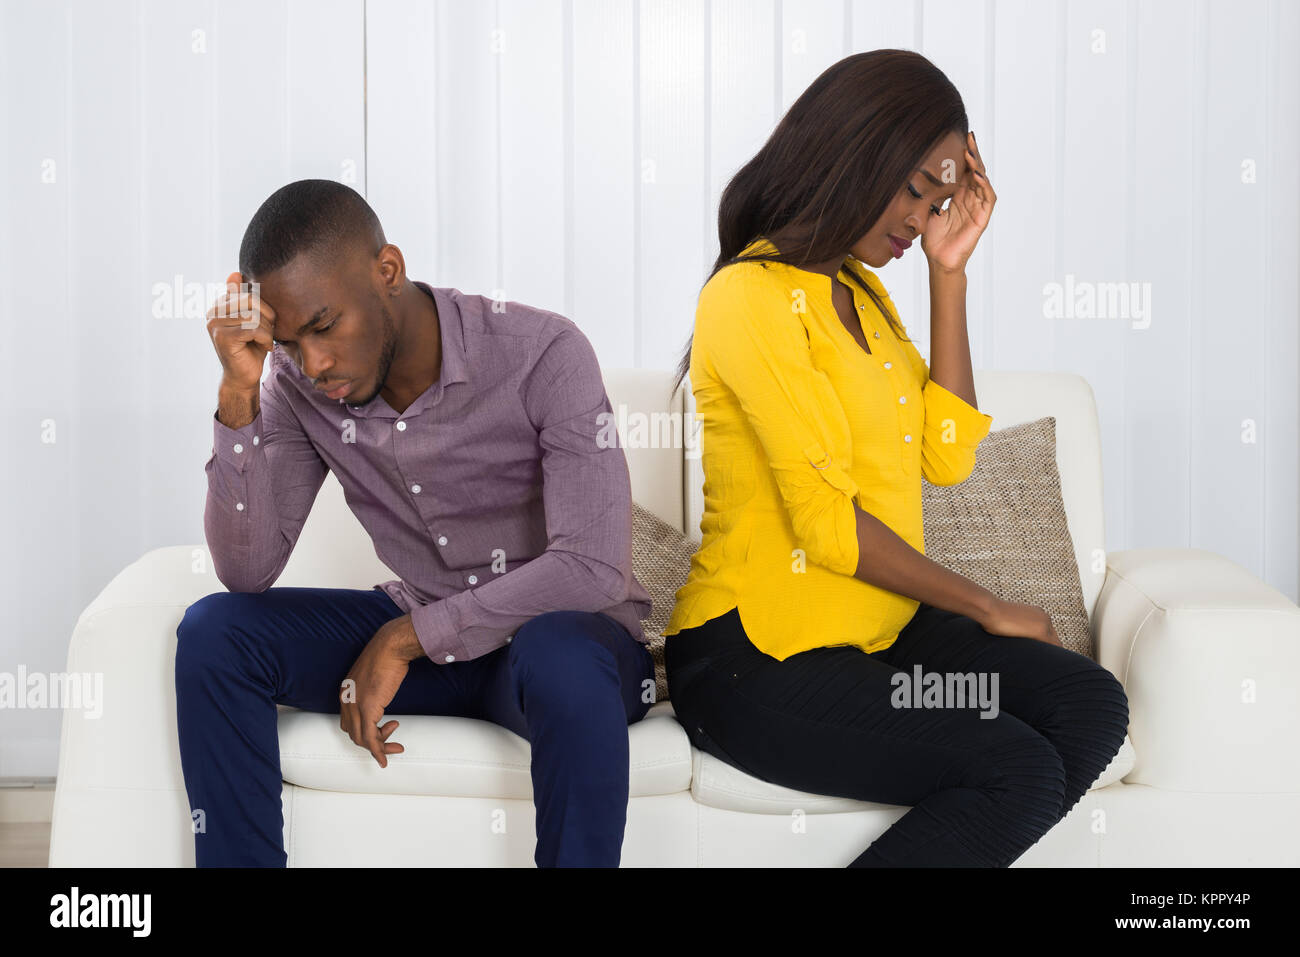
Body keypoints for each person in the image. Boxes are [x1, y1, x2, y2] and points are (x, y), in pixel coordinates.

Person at [662, 50, 1129, 867]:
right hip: (753, 660)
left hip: (878, 634)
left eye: (940, 199)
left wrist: (949, 278)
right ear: (852, 151)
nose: (921, 218)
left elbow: (946, 457)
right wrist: (988, 604)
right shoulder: (746, 296)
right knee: (1013, 764)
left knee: (1088, 704)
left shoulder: (865, 295)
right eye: (915, 189)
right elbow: (826, 521)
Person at [176, 179, 654, 867]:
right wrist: (238, 395)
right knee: (214, 633)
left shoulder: (543, 352)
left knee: (561, 653)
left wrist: (406, 638)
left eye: (323, 325)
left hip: (557, 648)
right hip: (435, 644)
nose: (314, 364)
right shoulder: (294, 385)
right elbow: (246, 571)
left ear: (388, 271)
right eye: (288, 342)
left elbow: (592, 566)